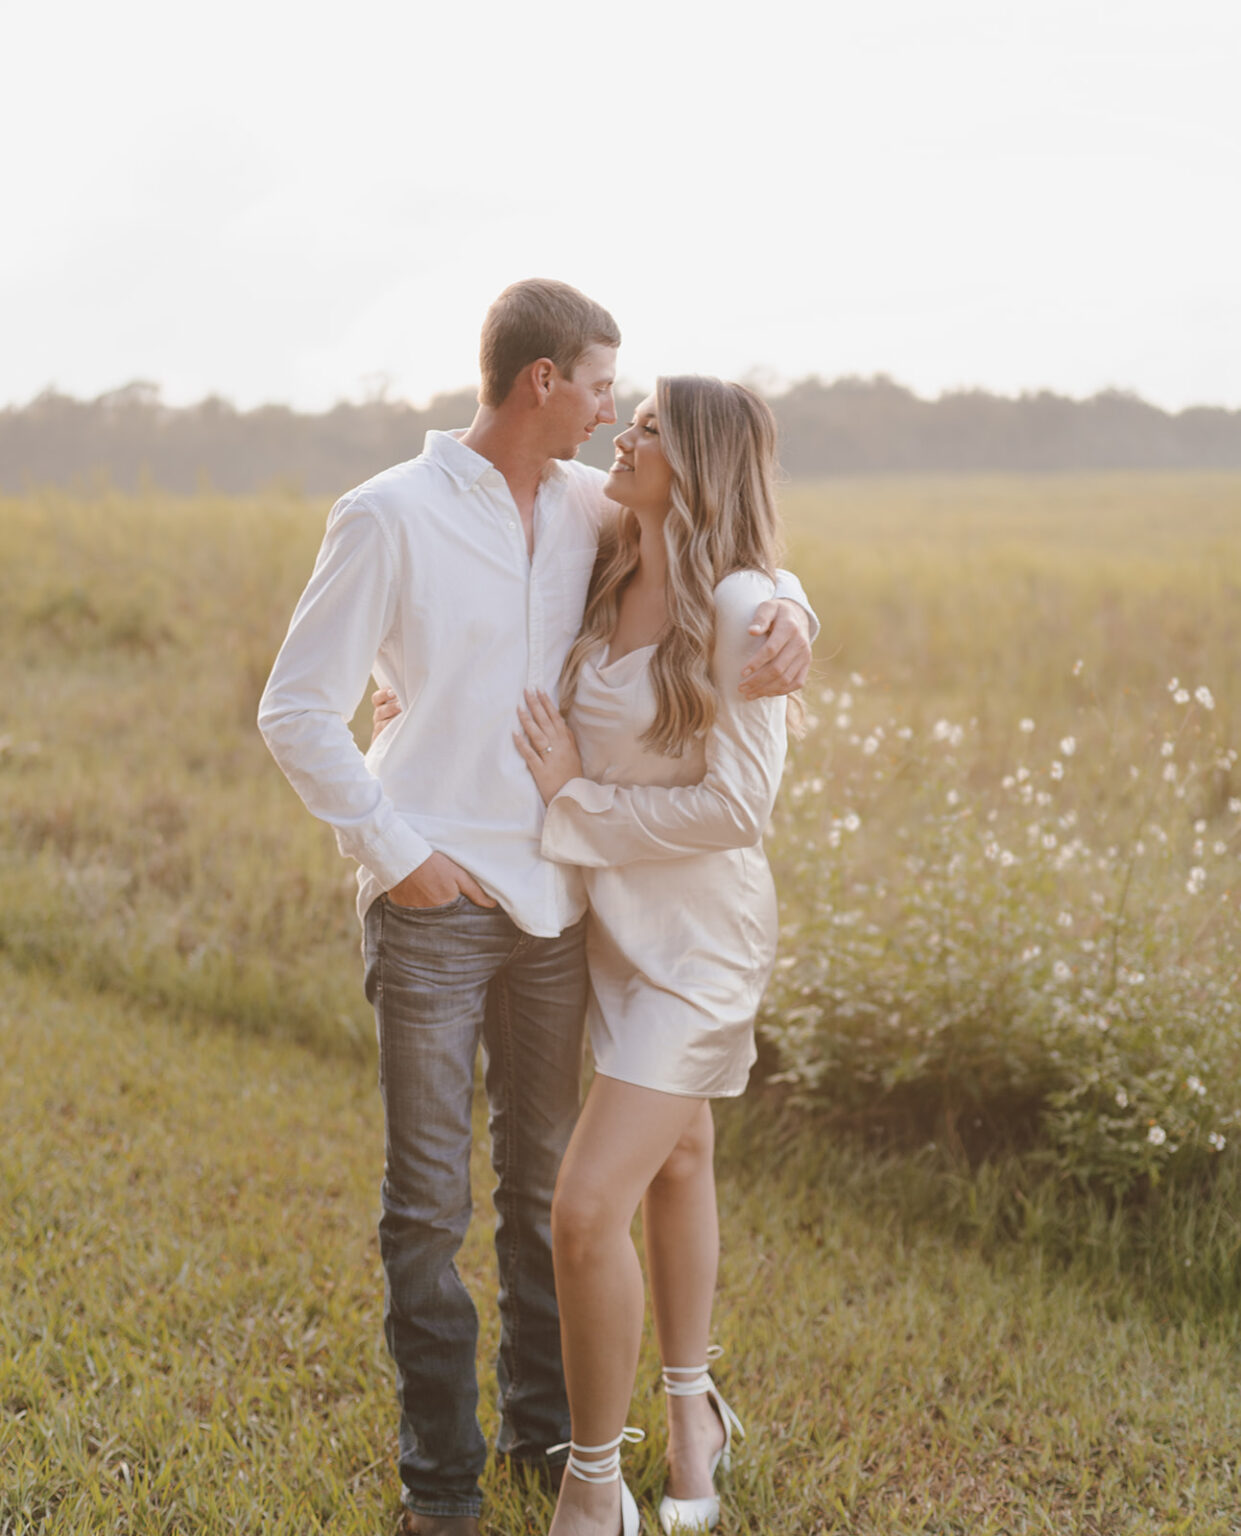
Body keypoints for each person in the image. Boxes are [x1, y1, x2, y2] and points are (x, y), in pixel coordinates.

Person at [258, 280, 814, 1536]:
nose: (617, 416)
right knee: (425, 1203)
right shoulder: (387, 515)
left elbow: (734, 563)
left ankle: (547, 1441)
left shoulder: (584, 508)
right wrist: (397, 851)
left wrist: (793, 617)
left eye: (635, 407)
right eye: (603, 389)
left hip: (566, 910)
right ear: (540, 384)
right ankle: (442, 1486)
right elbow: (297, 708)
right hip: (438, 898)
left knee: (548, 1198)